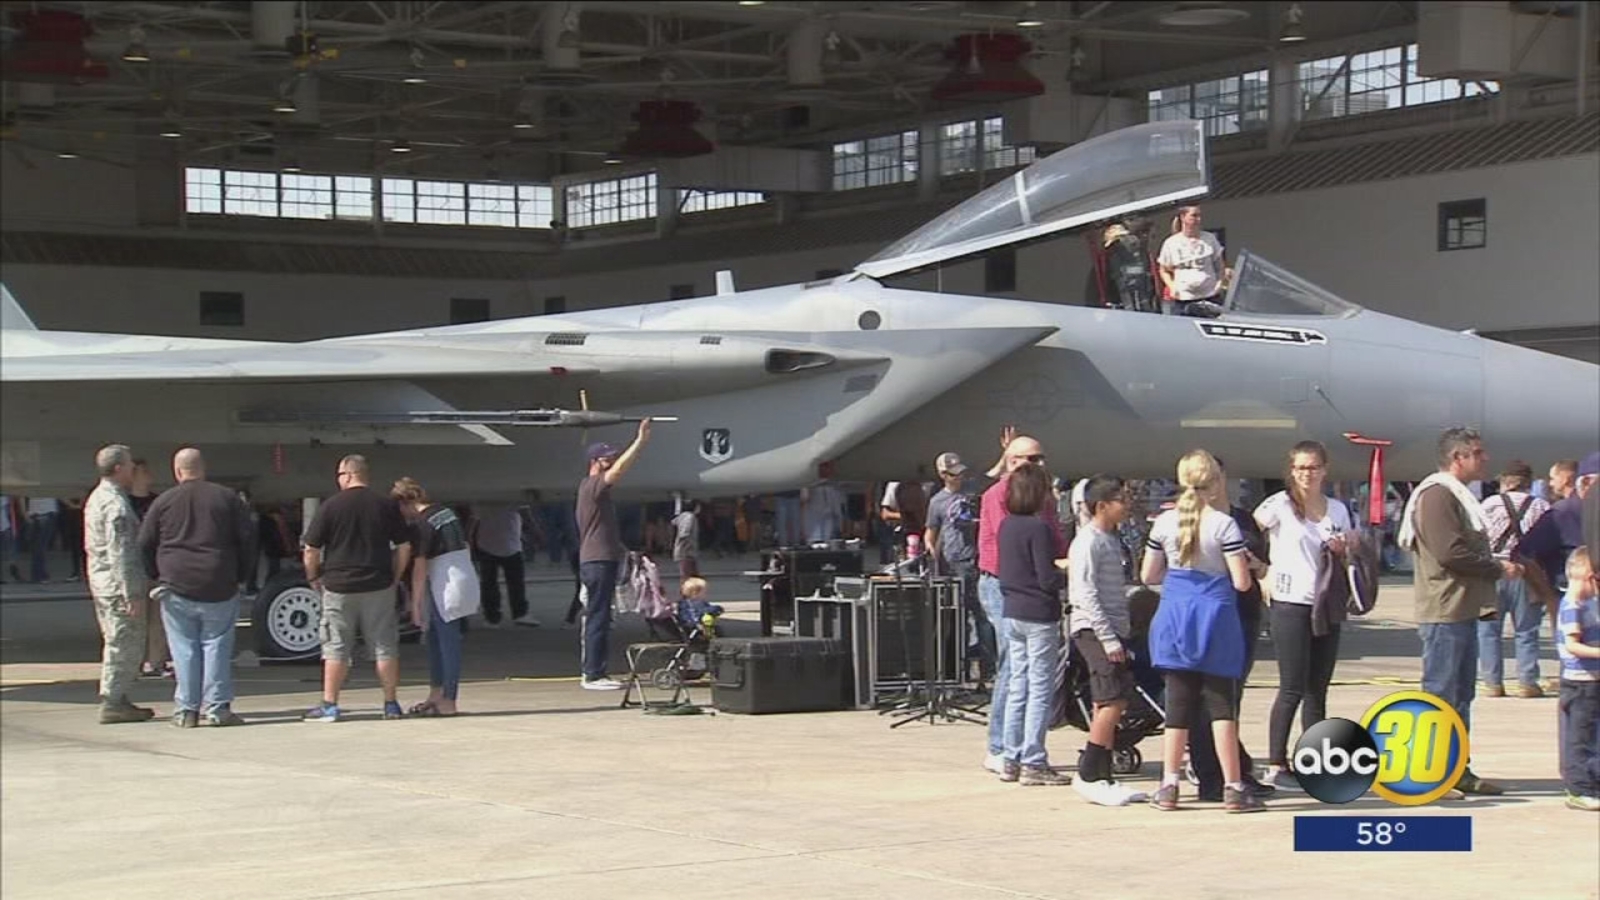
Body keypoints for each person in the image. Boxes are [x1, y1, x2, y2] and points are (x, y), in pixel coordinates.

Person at [1141, 449, 1264, 813]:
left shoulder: (1164, 523)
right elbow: (1242, 582)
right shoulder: (1223, 524)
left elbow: (1148, 575)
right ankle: (1233, 785)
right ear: (1215, 481)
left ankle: (1169, 784)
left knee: (1177, 705)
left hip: (1175, 615)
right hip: (1215, 618)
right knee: (1221, 705)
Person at [1396, 426, 1511, 795]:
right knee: (1441, 696)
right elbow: (1449, 553)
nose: (1485, 458)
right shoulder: (1436, 497)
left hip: (1461, 610)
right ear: (1457, 458)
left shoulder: (1456, 496)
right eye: (1477, 453)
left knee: (1460, 696)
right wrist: (1495, 567)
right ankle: (1430, 772)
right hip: (1444, 611)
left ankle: (1456, 769)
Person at [1254, 441, 1355, 793]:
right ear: (1291, 471)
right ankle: (1276, 763)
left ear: (1324, 470)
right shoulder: (1279, 505)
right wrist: (1261, 571)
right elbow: (1247, 536)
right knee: (1291, 686)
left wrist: (1345, 550)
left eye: (1313, 467)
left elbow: (1347, 555)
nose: (1307, 474)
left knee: (1318, 689)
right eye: (1300, 468)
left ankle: (1312, 760)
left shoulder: (1338, 510)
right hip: (1289, 602)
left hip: (1326, 603)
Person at [137, 448, 254, 728]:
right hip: (219, 580)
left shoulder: (163, 501)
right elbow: (248, 538)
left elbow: (144, 542)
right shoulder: (227, 498)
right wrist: (241, 575)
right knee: (217, 645)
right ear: (203, 469)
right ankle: (217, 708)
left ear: (178, 472)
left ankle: (186, 711)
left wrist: (156, 574)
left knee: (184, 649)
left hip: (176, 583)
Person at [976, 427, 1068, 774]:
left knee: (1023, 671)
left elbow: (1055, 538)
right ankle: (1001, 747)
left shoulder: (1043, 497)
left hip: (1026, 584)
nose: (1033, 464)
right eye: (1026, 459)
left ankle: (1014, 749)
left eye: (1038, 458)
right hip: (1005, 584)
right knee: (1016, 669)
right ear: (1010, 462)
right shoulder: (999, 495)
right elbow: (1012, 548)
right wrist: (1053, 571)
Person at [1187, 455, 1274, 802]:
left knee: (1231, 695)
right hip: (1206, 616)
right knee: (1204, 699)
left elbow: (1263, 567)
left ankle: (1234, 769)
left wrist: (1254, 563)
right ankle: (1211, 774)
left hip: (1242, 614)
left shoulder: (1240, 519)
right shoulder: (1188, 522)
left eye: (1216, 476)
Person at [301, 454, 414, 723]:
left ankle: (330, 705)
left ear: (348, 475)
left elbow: (311, 549)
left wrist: (313, 577)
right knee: (385, 645)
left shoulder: (331, 506)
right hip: (378, 584)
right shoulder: (385, 505)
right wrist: (395, 576)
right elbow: (404, 546)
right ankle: (390, 704)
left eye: (339, 475)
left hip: (339, 587)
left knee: (336, 646)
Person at [1067, 475, 1146, 805]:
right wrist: (1108, 638)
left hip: (1115, 628)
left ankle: (1104, 774)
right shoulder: (1088, 542)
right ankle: (1088, 772)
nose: (1126, 506)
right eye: (1120, 500)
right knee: (1113, 701)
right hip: (1094, 629)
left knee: (1109, 701)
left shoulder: (1112, 539)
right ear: (1102, 506)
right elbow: (1084, 593)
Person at [995, 463, 1071, 787]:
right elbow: (1046, 577)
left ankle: (1010, 757)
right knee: (1040, 688)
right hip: (1038, 612)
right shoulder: (1038, 529)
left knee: (1017, 685)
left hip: (1012, 608)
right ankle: (1034, 759)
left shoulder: (1007, 526)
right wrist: (1065, 571)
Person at [576, 419, 651, 690]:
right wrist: (640, 442)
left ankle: (596, 671)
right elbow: (618, 471)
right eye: (608, 457)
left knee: (601, 615)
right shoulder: (594, 486)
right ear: (596, 461)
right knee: (598, 616)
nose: (613, 460)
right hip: (597, 561)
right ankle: (593, 674)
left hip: (600, 560)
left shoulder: (593, 490)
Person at [83, 444, 155, 724]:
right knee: (124, 643)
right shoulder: (116, 505)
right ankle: (113, 700)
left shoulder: (97, 497)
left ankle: (119, 698)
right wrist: (133, 592)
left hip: (102, 581)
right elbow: (122, 552)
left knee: (116, 639)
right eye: (129, 466)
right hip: (116, 586)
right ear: (118, 469)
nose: (133, 470)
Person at [394, 478, 478, 718]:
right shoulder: (445, 512)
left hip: (444, 583)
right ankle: (437, 693)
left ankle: (449, 699)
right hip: (462, 574)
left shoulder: (421, 525)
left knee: (446, 642)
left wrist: (416, 605)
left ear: (405, 502)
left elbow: (419, 568)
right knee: (436, 640)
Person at [1478, 460, 1553, 699]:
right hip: (1527, 571)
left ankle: (1492, 682)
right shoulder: (1540, 505)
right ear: (1528, 483)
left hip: (1494, 570)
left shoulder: (1489, 504)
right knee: (1527, 629)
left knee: (1488, 629)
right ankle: (1527, 682)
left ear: (1505, 481)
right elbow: (1547, 542)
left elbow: (1478, 536)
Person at [926, 452, 989, 683]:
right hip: (951, 563)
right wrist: (932, 554)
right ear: (943, 475)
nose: (959, 478)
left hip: (974, 559)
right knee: (958, 618)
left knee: (982, 616)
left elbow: (991, 475)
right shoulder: (937, 502)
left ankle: (987, 670)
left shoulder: (971, 491)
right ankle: (959, 672)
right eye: (954, 475)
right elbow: (930, 531)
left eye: (960, 473)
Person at [1556, 548, 1600, 811]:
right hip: (1580, 682)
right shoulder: (1572, 605)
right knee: (1580, 735)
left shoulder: (1589, 604)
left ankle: (1593, 782)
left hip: (1593, 680)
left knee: (1594, 734)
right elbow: (1573, 646)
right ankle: (1578, 787)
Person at [1157, 205, 1230, 317]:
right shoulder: (1171, 243)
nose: (1198, 219)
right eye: (1194, 216)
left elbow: (1220, 265)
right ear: (1183, 217)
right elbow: (1163, 270)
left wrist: (1219, 284)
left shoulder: (1209, 239)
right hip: (1183, 299)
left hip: (1209, 296)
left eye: (1199, 216)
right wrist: (1172, 286)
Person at [476, 504, 537, 627]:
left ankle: (494, 616)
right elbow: (525, 512)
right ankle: (515, 614)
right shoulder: (511, 491)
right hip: (504, 543)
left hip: (495, 542)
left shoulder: (483, 493)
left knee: (491, 583)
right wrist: (536, 531)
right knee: (511, 583)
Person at [672, 500, 702, 580]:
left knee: (691, 575)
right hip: (686, 551)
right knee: (687, 575)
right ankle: (687, 591)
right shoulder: (690, 517)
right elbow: (684, 533)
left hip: (685, 551)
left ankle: (691, 590)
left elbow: (673, 522)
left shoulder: (682, 516)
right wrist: (686, 547)